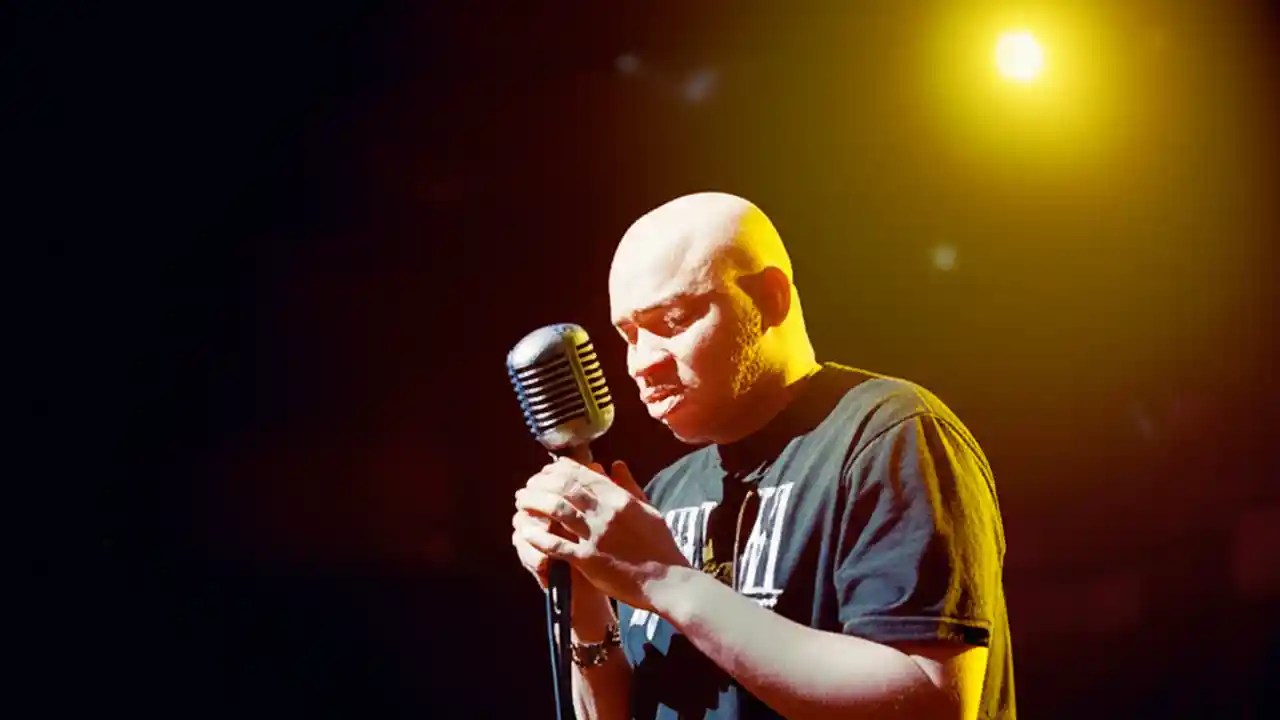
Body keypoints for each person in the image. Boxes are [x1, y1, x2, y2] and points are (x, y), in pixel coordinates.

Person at [511, 192, 1014, 719]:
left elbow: (931, 700)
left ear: (771, 299)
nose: (641, 363)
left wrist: (665, 578)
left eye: (674, 320)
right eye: (630, 335)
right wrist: (590, 608)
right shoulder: (665, 492)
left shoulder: (889, 434)